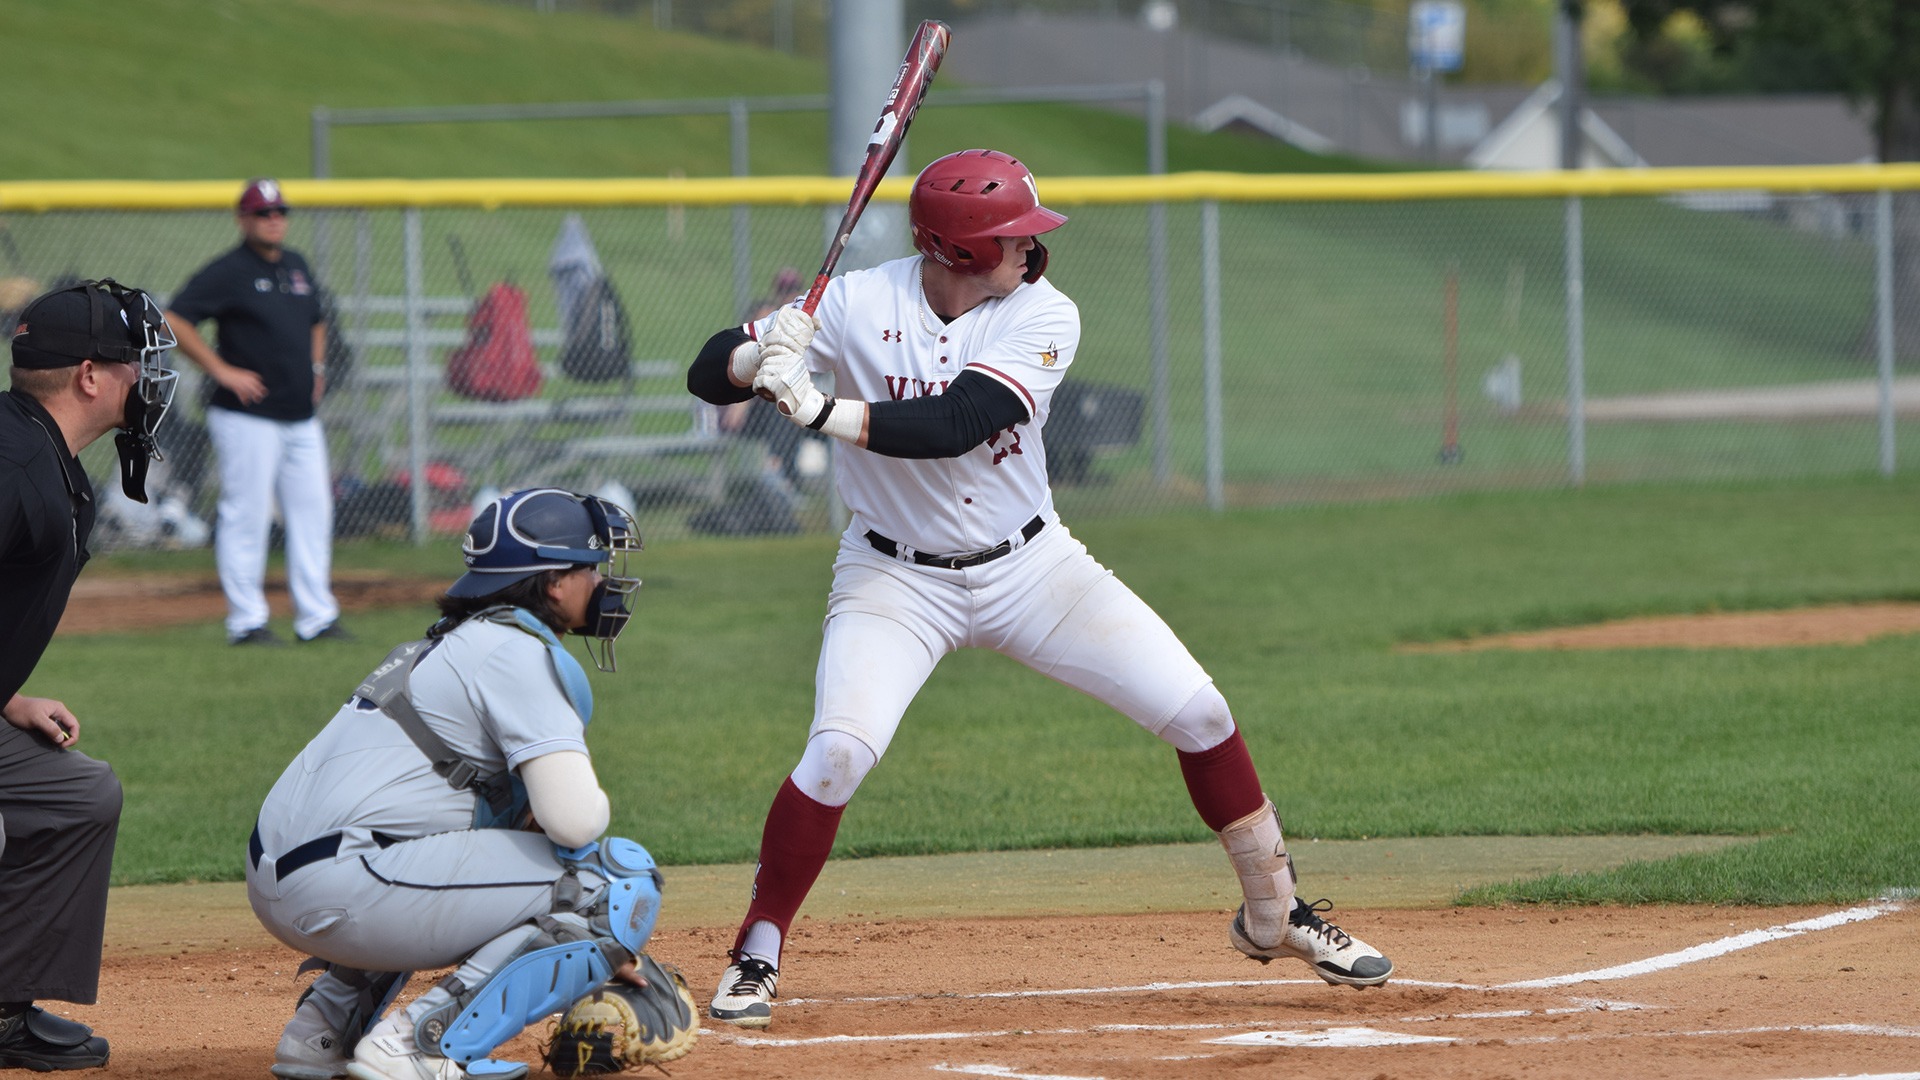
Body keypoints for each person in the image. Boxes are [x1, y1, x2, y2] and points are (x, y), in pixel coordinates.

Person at [685, 149, 1393, 1029]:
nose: (1032, 247)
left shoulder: (1045, 314)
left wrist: (820, 410)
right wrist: (758, 354)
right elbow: (703, 373)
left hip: (1033, 568)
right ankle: (758, 950)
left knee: (1203, 714)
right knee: (835, 756)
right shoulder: (861, 300)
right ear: (960, 251)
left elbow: (956, 423)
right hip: (893, 579)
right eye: (1014, 236)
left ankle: (1274, 913)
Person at [248, 487, 659, 1080]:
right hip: (351, 885)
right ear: (552, 583)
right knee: (612, 885)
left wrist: (581, 957)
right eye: (589, 567)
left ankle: (319, 1034)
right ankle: (419, 1046)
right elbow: (575, 822)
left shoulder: (444, 643)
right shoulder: (516, 654)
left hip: (290, 880)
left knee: (438, 847)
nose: (601, 583)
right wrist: (600, 937)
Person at [1, 279, 180, 1069]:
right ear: (87, 375)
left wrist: (6, 697)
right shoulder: (14, 468)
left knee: (77, 793)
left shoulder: (38, 451)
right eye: (133, 364)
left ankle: (4, 1013)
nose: (145, 381)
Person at [164, 178, 345, 646]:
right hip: (245, 415)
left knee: (313, 513)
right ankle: (246, 621)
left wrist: (317, 366)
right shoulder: (229, 270)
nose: (274, 219)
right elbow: (175, 318)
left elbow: (318, 318)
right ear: (243, 219)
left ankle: (317, 618)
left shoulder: (297, 265)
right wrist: (221, 369)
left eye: (279, 211)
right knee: (246, 514)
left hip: (300, 415)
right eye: (263, 212)